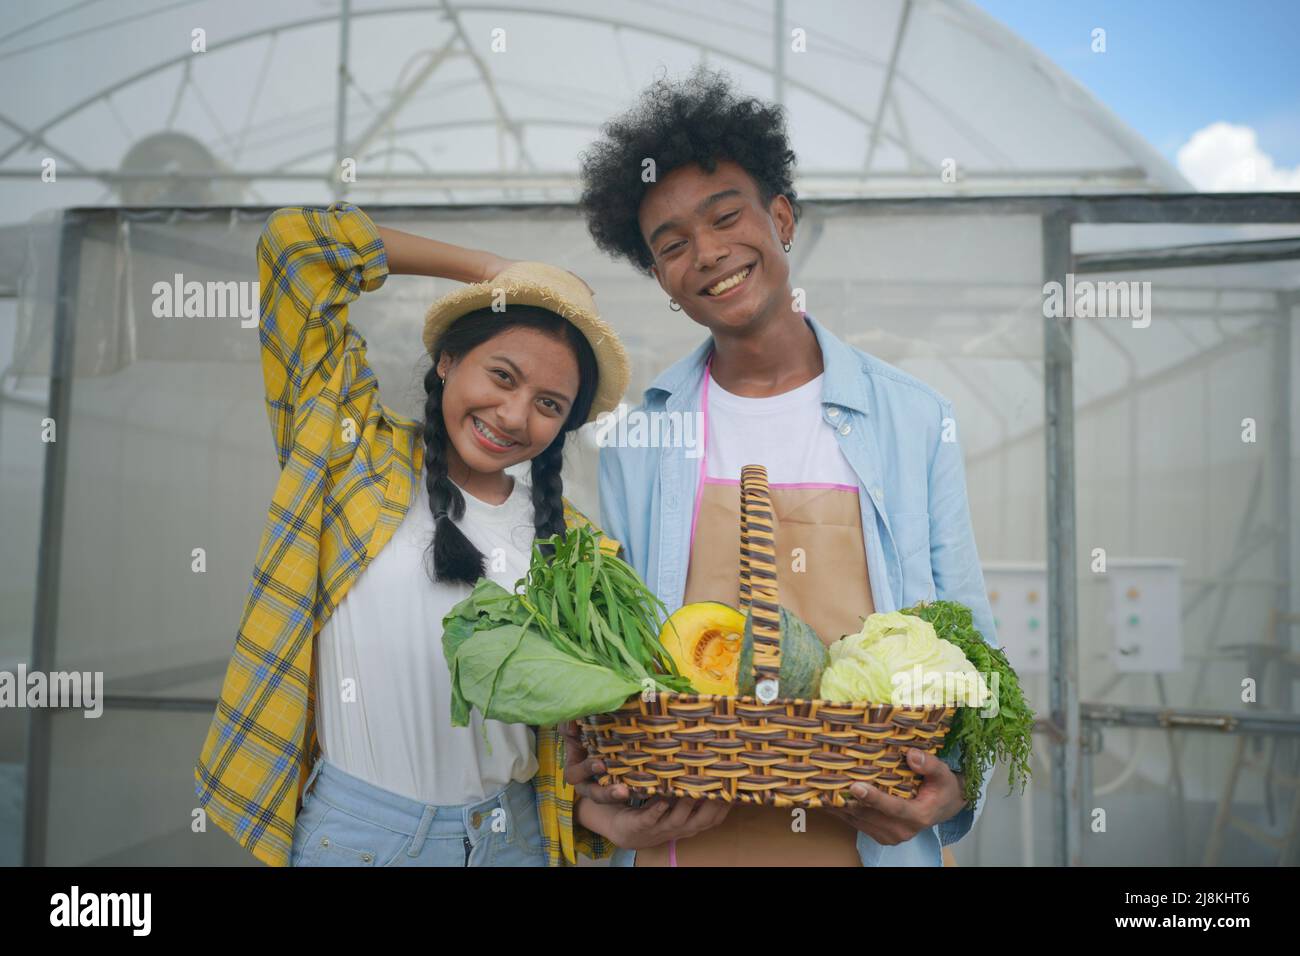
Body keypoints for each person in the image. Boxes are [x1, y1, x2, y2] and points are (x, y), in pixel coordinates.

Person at [564, 67, 1000, 866]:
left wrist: (959, 784)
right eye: (672, 246)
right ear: (661, 279)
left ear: (782, 217)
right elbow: (615, 663)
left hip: (869, 836)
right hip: (684, 840)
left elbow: (969, 636)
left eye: (726, 217)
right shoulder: (638, 440)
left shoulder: (911, 419)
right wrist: (595, 809)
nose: (709, 254)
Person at [194, 201, 631, 866]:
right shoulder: (351, 455)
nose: (513, 415)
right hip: (362, 836)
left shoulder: (577, 545)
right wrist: (490, 272)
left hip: (515, 840)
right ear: (449, 360)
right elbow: (294, 248)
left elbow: (591, 725)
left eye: (549, 405)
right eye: (501, 375)